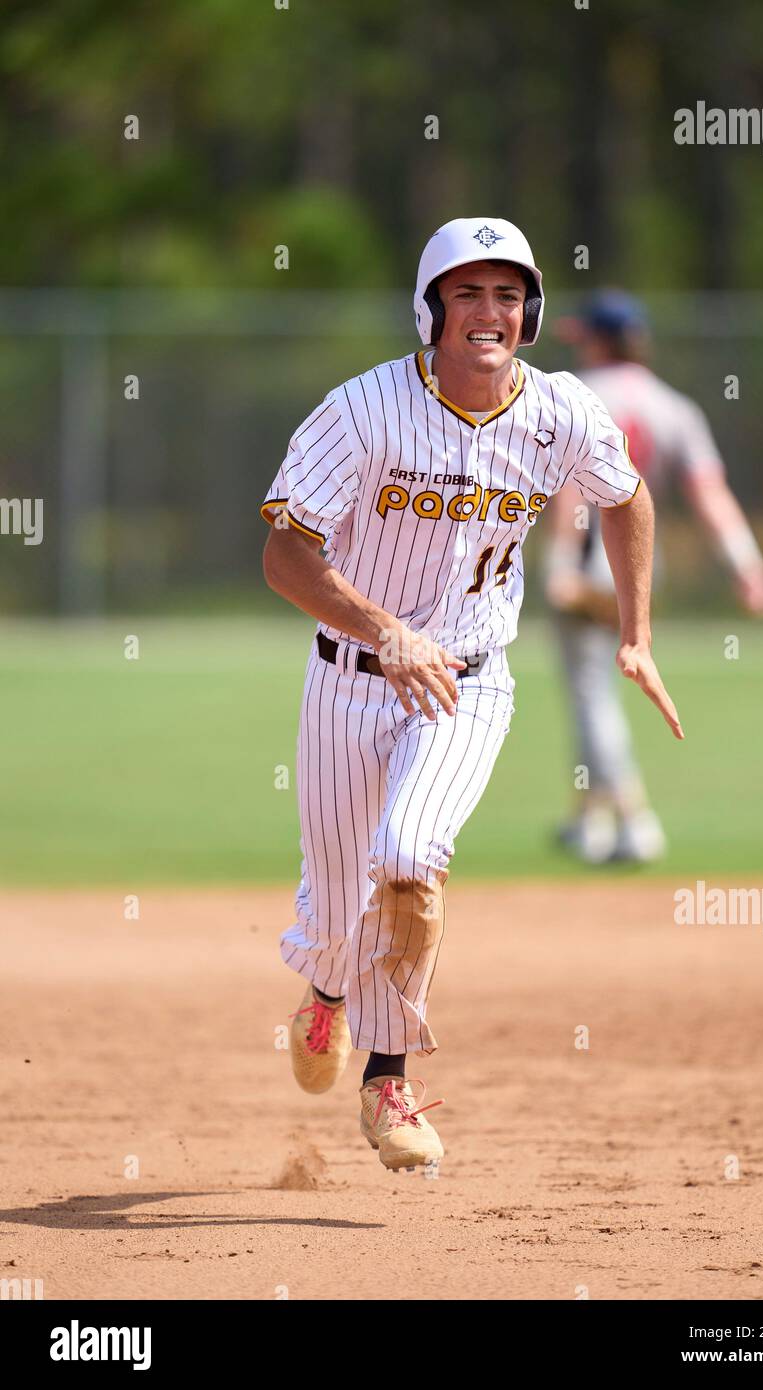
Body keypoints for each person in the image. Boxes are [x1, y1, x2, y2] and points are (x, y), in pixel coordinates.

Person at [261, 222, 681, 1174]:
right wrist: (387, 631)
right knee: (335, 914)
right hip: (348, 681)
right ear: (432, 308)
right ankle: (323, 988)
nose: (487, 312)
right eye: (467, 293)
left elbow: (625, 496)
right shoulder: (362, 409)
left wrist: (637, 633)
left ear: (529, 312)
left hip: (468, 683)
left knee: (412, 856)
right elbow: (286, 554)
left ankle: (388, 1077)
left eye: (506, 294)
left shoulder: (560, 412)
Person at [545, 290, 763, 864]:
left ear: (597, 340)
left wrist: (560, 563)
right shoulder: (674, 406)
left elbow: (574, 490)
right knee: (594, 687)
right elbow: (709, 494)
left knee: (590, 691)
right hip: (641, 563)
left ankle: (633, 818)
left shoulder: (574, 393)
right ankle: (591, 819)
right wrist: (747, 564)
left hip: (588, 560)